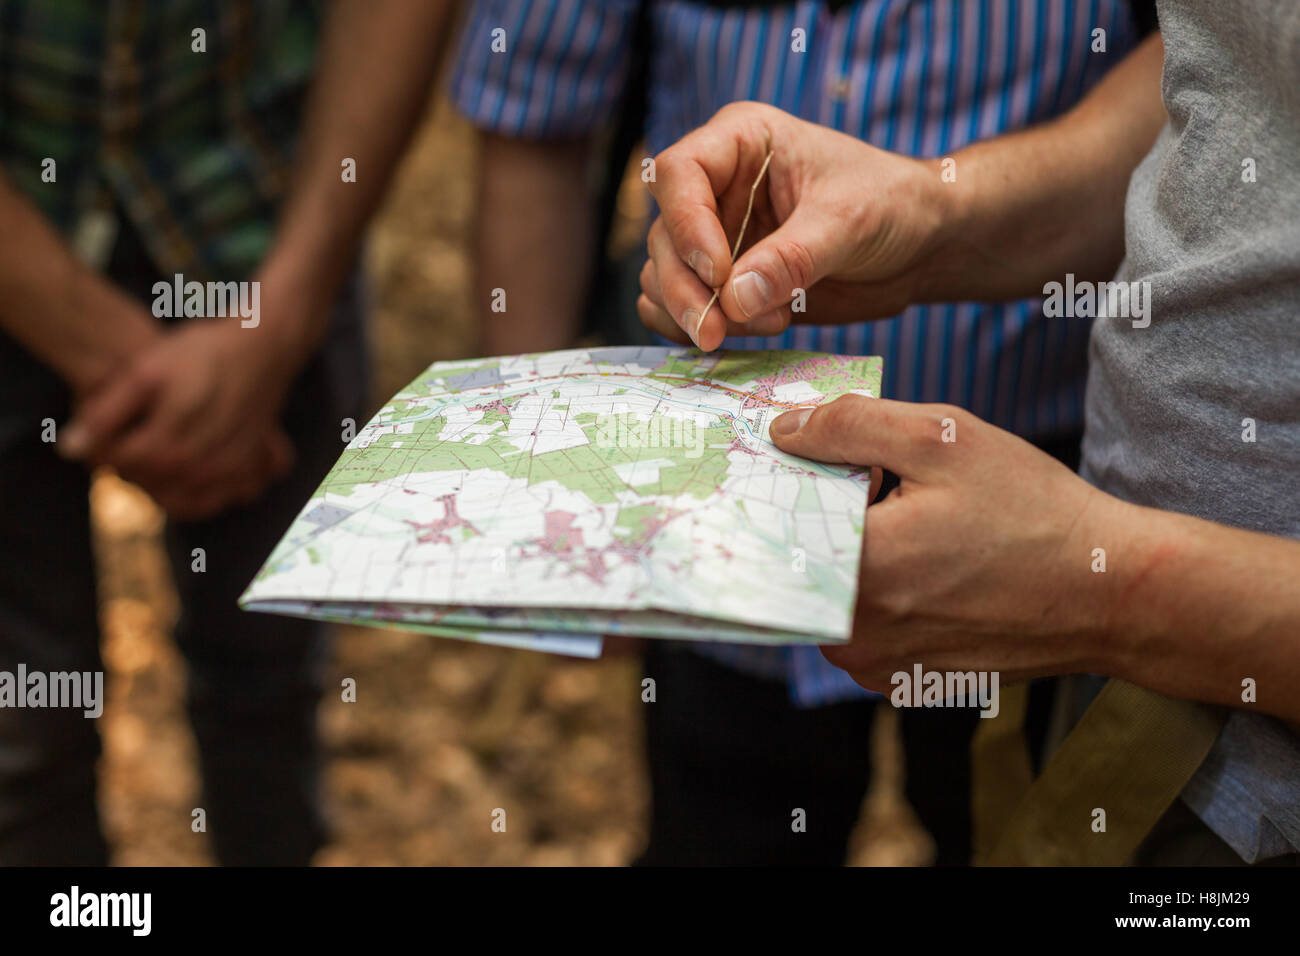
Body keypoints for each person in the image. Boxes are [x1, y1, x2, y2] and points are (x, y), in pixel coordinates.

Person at [451, 0, 1154, 864]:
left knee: (1009, 830)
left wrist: (934, 212)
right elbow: (537, 110)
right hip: (717, 512)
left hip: (1044, 492)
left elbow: (1193, 77)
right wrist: (547, 498)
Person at [640, 0, 1300, 862]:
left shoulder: (1102, 598)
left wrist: (1118, 592)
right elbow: (1220, 83)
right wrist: (933, 217)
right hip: (1146, 731)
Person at [0, 0, 456, 864]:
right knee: (23, 740)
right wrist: (124, 357)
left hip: (275, 219)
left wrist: (277, 325)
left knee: (268, 693)